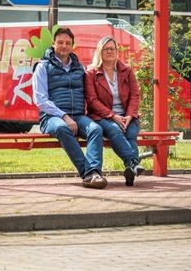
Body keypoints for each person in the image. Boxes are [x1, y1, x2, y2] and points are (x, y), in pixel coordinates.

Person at [32, 27, 108, 189]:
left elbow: (90, 93)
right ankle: (89, 174)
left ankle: (93, 172)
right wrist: (64, 116)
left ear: (73, 45)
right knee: (61, 128)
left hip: (78, 116)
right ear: (53, 44)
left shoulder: (79, 67)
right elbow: (40, 99)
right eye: (60, 42)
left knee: (95, 129)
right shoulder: (42, 66)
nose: (64, 46)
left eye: (68, 43)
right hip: (51, 118)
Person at [84, 36, 144, 186]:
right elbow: (92, 100)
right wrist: (113, 116)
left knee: (130, 135)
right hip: (103, 116)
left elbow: (135, 94)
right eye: (106, 49)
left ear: (117, 51)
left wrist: (129, 116)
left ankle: (131, 169)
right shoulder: (91, 73)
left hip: (128, 116)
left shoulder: (127, 70)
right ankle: (133, 163)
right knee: (115, 130)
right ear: (100, 51)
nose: (110, 51)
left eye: (112, 48)